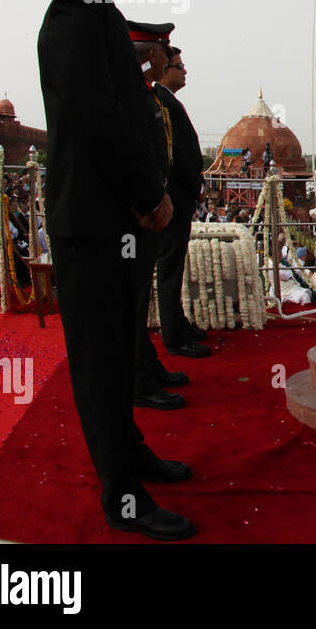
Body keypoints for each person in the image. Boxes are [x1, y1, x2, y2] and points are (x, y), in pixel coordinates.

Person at [37, 0, 195, 540]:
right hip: (96, 220)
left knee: (119, 345)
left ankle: (130, 455)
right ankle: (122, 498)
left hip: (118, 218)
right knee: (101, 363)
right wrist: (148, 194)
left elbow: (126, 115)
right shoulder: (72, 15)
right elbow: (94, 120)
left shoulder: (103, 19)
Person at [127, 21, 199, 410]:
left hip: (160, 201)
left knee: (147, 285)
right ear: (153, 57)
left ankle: (148, 363)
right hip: (149, 206)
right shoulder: (142, 97)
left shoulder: (154, 98)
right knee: (144, 287)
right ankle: (142, 372)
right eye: (174, 62)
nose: (181, 70)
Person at [154, 47, 210, 355]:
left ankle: (177, 322)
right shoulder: (161, 103)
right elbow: (174, 157)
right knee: (170, 265)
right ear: (165, 69)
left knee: (174, 263)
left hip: (181, 193)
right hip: (175, 194)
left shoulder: (167, 102)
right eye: (179, 66)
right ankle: (174, 335)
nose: (184, 71)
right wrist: (195, 184)